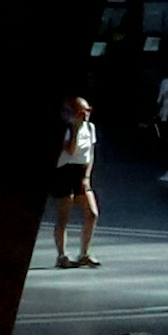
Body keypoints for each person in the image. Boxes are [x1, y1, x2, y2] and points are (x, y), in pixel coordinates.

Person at [47, 87, 102, 270]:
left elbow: (91, 153)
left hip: (81, 173)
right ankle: (61, 255)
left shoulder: (91, 128)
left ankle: (84, 253)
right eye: (80, 111)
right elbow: (70, 150)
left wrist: (87, 175)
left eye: (86, 111)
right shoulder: (69, 128)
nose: (84, 115)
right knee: (64, 215)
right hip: (65, 172)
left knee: (92, 213)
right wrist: (76, 130)